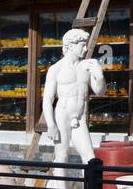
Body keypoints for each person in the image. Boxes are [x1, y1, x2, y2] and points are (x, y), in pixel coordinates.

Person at [41, 28, 106, 163]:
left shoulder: (86, 67)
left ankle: (89, 185)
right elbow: (47, 99)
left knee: (89, 158)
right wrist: (51, 124)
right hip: (62, 115)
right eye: (82, 45)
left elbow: (100, 92)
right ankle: (60, 185)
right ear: (70, 46)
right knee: (62, 156)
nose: (86, 48)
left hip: (80, 116)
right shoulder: (56, 69)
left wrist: (99, 76)